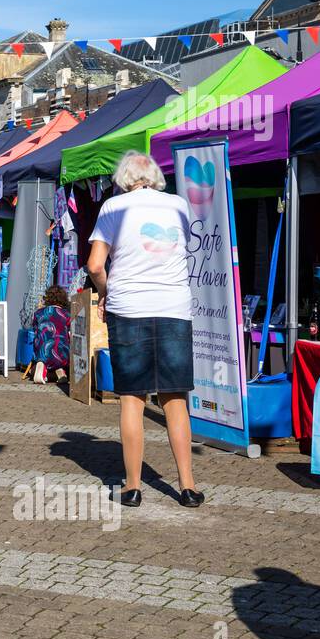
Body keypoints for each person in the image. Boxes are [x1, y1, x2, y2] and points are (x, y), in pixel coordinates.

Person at [87, 151, 203, 509]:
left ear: (123, 179)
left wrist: (106, 292)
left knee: (132, 399)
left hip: (129, 307)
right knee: (175, 398)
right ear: (154, 176)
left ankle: (133, 487)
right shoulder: (179, 206)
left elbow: (94, 265)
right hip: (173, 307)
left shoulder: (114, 208)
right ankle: (187, 485)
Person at [28, 285, 72, 385]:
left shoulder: (38, 313)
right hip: (62, 354)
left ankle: (42, 365)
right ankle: (60, 370)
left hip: (42, 353)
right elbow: (70, 333)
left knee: (34, 369)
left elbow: (34, 331)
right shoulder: (67, 315)